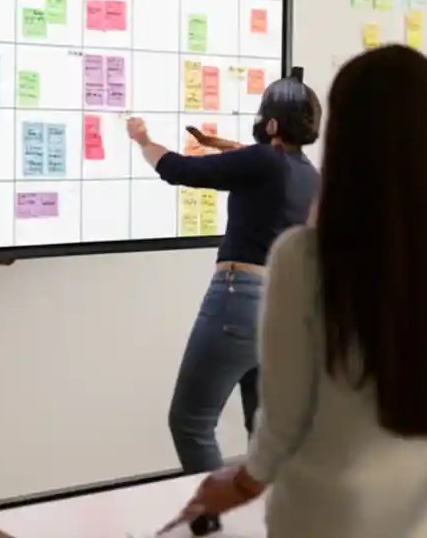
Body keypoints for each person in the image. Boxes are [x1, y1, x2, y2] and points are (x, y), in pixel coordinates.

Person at [164, 45, 427, 537]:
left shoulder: (307, 257)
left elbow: (284, 420)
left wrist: (242, 484)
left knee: (192, 416)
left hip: (338, 519)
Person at [125, 76, 320, 474]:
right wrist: (222, 147)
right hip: (285, 312)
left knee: (191, 423)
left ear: (270, 124)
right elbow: (258, 162)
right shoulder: (308, 174)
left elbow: (178, 170)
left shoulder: (262, 161)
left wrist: (143, 141)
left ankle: (219, 523)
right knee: (264, 429)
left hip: (238, 302)